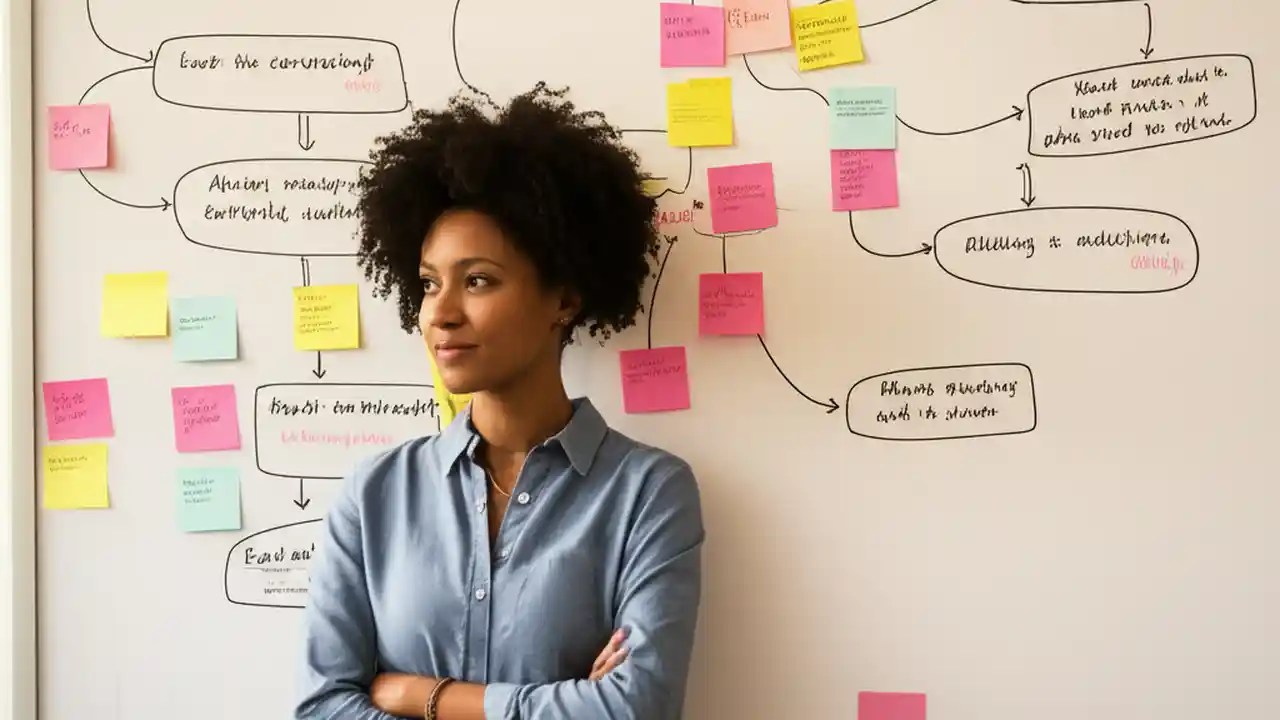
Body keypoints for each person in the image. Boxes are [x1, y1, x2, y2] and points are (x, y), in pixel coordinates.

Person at [294, 82, 706, 720]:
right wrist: (569, 701)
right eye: (429, 284)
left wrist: (420, 696)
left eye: (478, 280)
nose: (441, 313)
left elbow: (637, 709)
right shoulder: (373, 495)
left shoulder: (649, 494)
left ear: (563, 300)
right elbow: (322, 708)